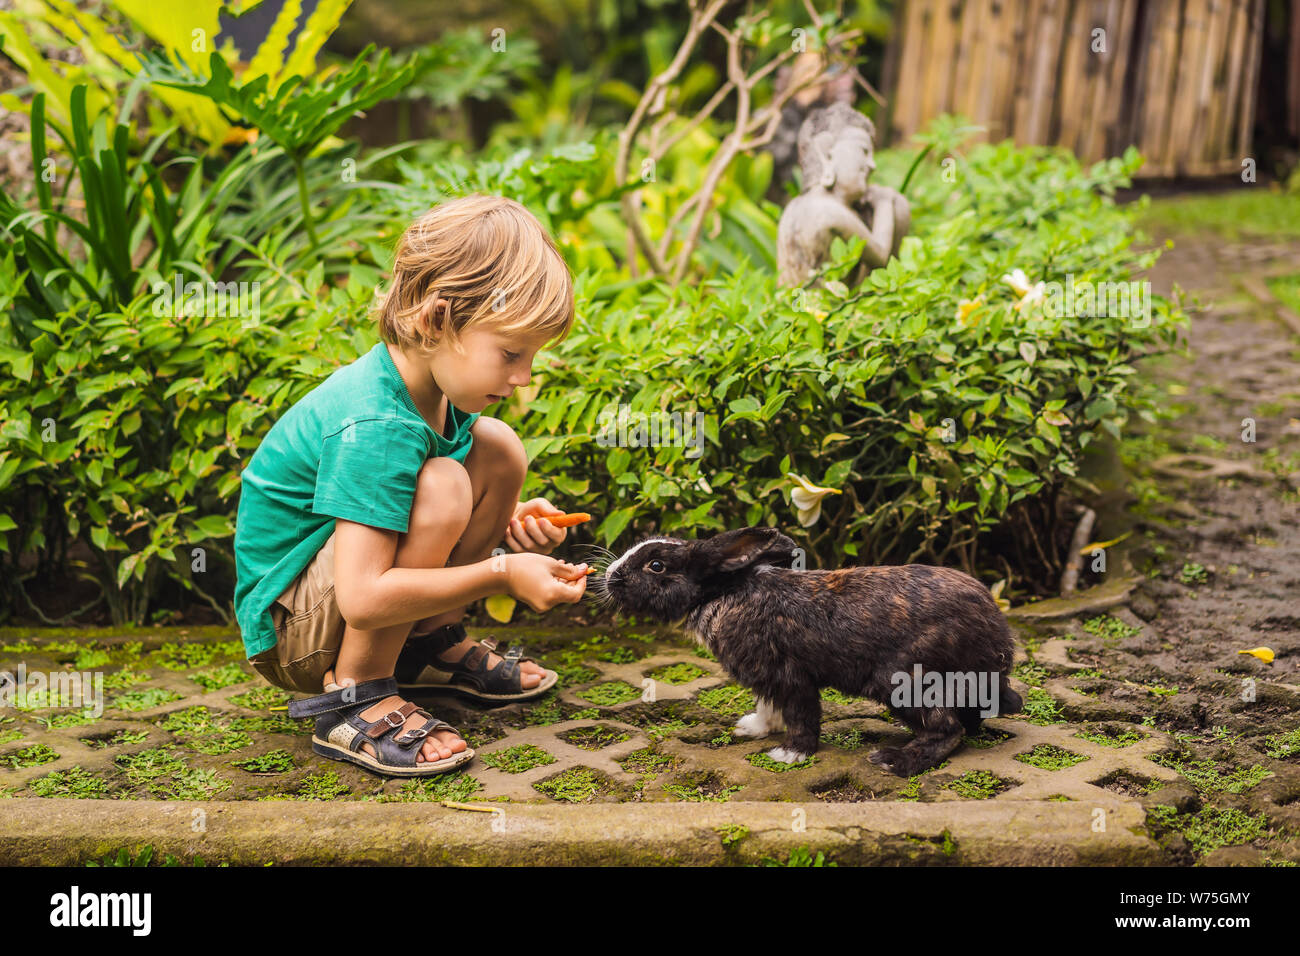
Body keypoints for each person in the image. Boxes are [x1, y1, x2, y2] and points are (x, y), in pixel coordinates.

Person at [233, 194, 589, 777]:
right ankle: (358, 693)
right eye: (510, 353)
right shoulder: (377, 424)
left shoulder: (433, 393)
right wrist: (503, 573)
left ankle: (427, 644)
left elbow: (400, 512)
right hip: (291, 630)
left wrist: (507, 523)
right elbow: (364, 596)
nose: (524, 378)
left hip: (340, 590)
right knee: (445, 483)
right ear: (437, 321)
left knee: (497, 449)